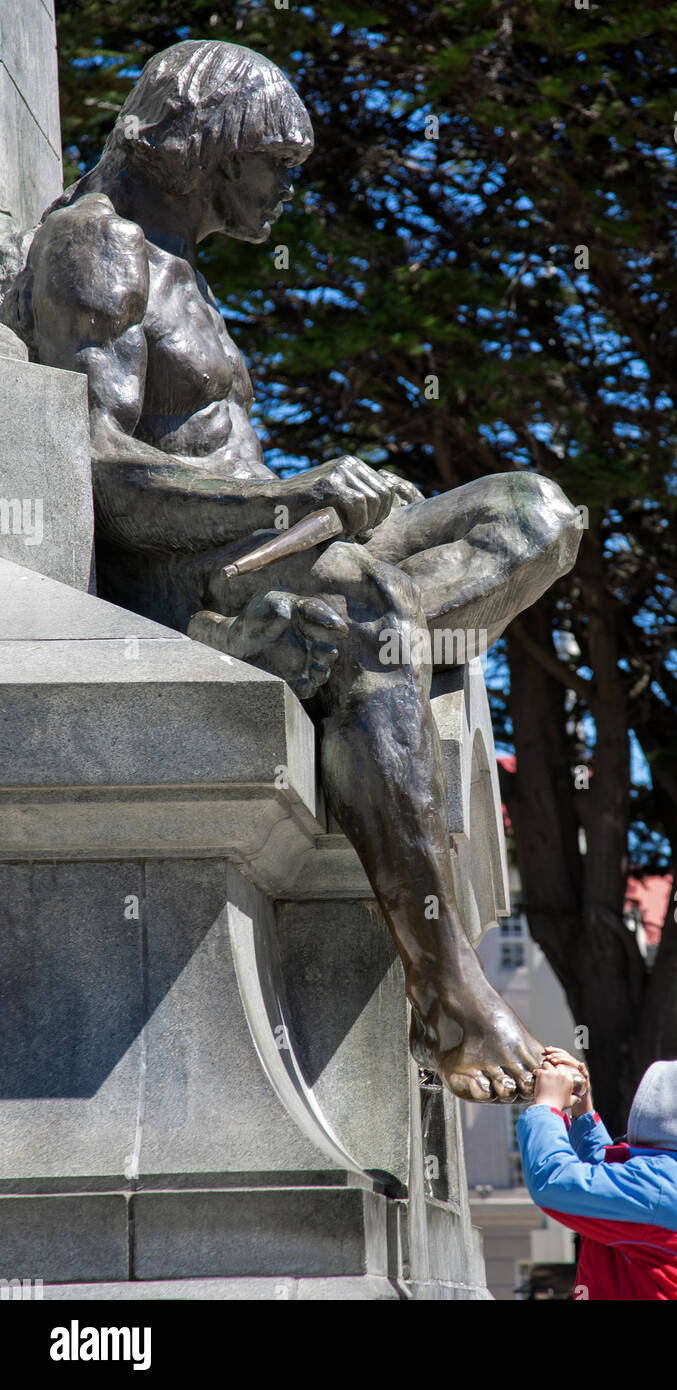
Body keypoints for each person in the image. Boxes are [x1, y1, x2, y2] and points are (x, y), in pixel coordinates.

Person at [2, 39, 583, 1103]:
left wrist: (325, 510)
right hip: (184, 574)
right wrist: (293, 498)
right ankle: (445, 984)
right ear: (211, 147)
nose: (282, 188)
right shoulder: (97, 247)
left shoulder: (180, 267)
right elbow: (95, 474)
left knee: (533, 511)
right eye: (272, 162)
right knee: (361, 605)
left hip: (282, 550)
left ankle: (334, 631)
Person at [518, 1046, 677, 1299]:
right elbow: (609, 1174)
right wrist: (582, 1105)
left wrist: (546, 1107)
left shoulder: (660, 1189)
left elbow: (553, 1182)